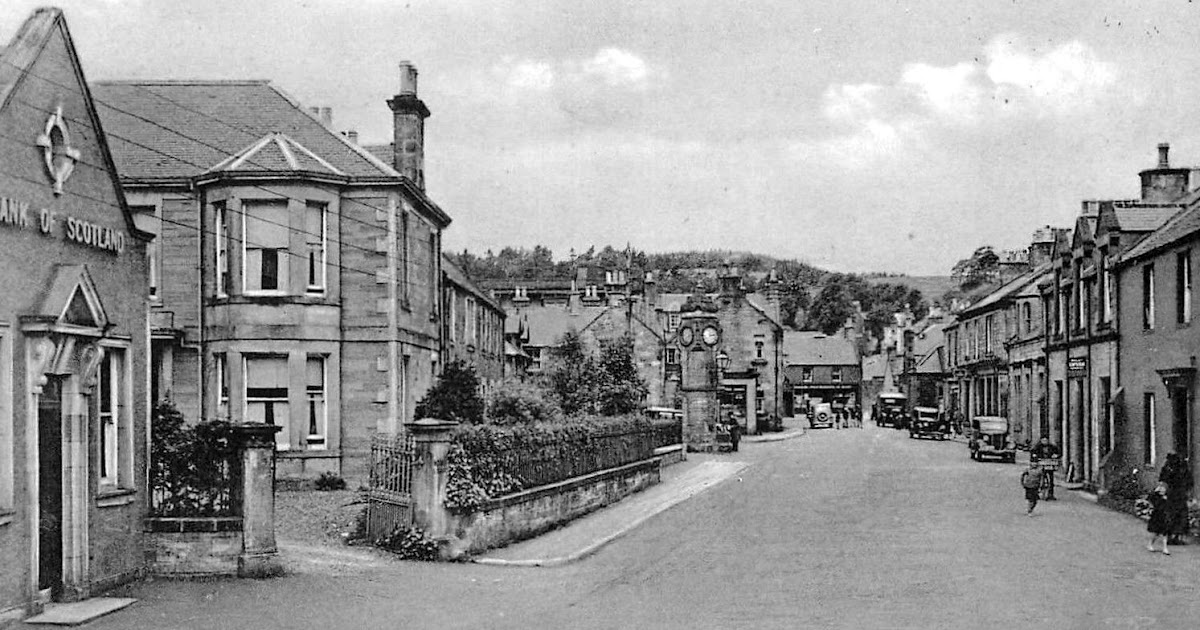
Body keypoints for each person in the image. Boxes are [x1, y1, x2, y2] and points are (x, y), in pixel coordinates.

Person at [1159, 453, 1192, 544]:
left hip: (1173, 495)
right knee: (1179, 516)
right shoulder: (1182, 468)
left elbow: (1163, 480)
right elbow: (1189, 482)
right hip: (1179, 495)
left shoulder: (1168, 468)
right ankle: (1177, 537)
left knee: (1172, 515)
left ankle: (1171, 536)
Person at [1030, 436, 1061, 500]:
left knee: (1051, 479)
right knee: (1038, 478)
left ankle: (1051, 494)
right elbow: (1033, 453)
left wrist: (1056, 455)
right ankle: (1038, 493)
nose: (1045, 442)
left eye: (1046, 440)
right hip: (1040, 464)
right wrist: (1034, 457)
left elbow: (1058, 453)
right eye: (1043, 440)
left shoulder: (1052, 447)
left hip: (1049, 464)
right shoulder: (1037, 447)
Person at [1147, 483, 1172, 555]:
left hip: (1165, 516)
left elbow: (1170, 506)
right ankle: (1150, 544)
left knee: (1165, 533)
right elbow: (1153, 501)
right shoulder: (1155, 497)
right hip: (1156, 516)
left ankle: (1165, 548)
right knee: (1155, 532)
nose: (1162, 491)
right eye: (1161, 489)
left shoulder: (1167, 497)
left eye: (1164, 489)